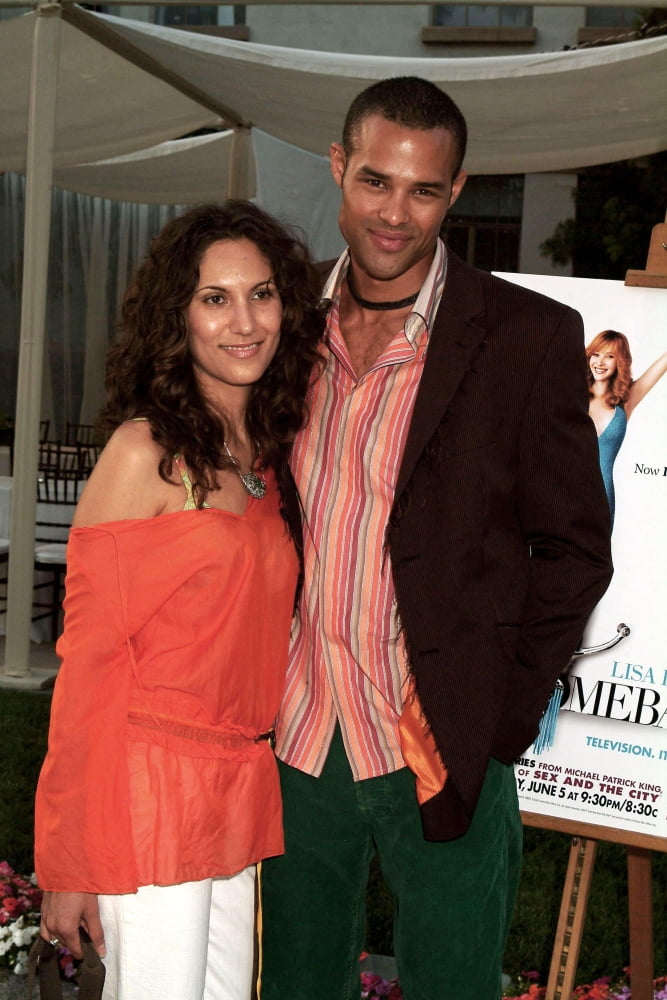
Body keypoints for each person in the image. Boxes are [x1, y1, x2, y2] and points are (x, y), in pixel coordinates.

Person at [259, 77, 614, 1000]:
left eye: (423, 190)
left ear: (455, 190)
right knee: (296, 981)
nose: (394, 214)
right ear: (338, 167)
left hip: (438, 739)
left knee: (452, 982)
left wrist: (499, 722)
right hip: (297, 732)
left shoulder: (526, 337)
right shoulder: (277, 322)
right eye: (375, 181)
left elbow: (574, 550)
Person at [34, 200, 323, 1000]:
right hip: (148, 791)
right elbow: (88, 666)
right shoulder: (145, 452)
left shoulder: (269, 455)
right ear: (178, 316)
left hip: (235, 786)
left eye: (261, 294)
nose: (244, 322)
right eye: (214, 298)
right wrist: (69, 856)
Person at [586, 329, 667, 527]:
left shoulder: (625, 400)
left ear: (620, 362)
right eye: (596, 354)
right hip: (561, 493)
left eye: (609, 356)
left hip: (602, 502)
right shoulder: (571, 394)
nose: (600, 362)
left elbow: (661, 366)